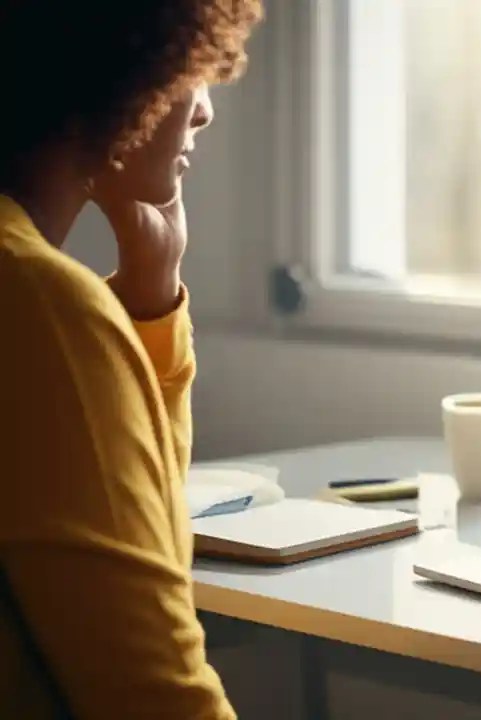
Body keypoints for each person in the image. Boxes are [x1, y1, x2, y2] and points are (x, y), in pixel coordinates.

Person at [0, 1, 263, 717]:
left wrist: (150, 293)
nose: (204, 110)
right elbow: (155, 697)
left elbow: (137, 522)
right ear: (112, 65)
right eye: (191, 70)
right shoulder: (34, 301)